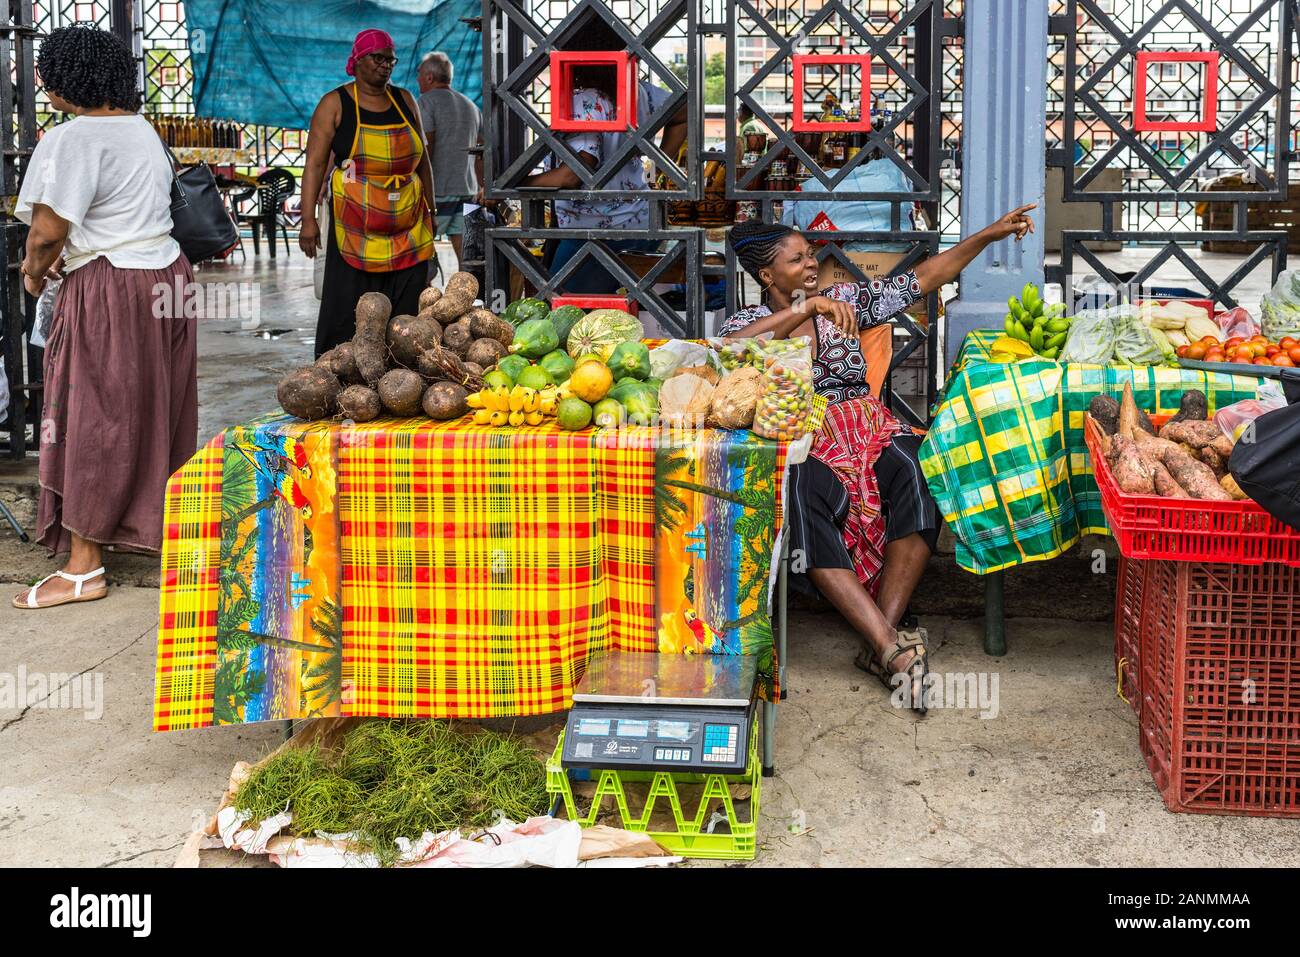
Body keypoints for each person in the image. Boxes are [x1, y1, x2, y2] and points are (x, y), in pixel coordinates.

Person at [722, 205, 1035, 713]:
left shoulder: (847, 299)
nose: (810, 264)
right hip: (803, 435)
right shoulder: (751, 321)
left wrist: (990, 233)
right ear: (766, 275)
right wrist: (807, 309)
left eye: (811, 255)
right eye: (798, 259)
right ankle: (892, 647)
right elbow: (729, 353)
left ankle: (881, 643)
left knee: (917, 465)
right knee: (796, 490)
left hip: (866, 425)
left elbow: (927, 276)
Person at [12, 25, 196, 609]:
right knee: (157, 406)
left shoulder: (71, 140)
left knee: (93, 414)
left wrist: (34, 275)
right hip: (170, 275)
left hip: (113, 284)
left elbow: (46, 233)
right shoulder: (143, 131)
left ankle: (85, 567)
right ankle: (157, 529)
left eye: (45, 74)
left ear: (66, 79)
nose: (42, 84)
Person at [522, 20, 687, 294]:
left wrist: (519, 184)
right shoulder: (639, 92)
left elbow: (574, 172)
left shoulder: (585, 99)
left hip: (592, 233)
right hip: (640, 224)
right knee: (616, 315)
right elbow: (684, 112)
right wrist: (658, 162)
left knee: (565, 313)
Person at [300, 29, 435, 357]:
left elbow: (423, 161)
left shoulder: (405, 100)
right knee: (348, 306)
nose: (386, 65)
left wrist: (432, 208)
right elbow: (315, 165)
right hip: (355, 225)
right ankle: (337, 372)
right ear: (358, 60)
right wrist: (308, 221)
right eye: (378, 58)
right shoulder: (335, 104)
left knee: (407, 306)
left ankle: (401, 373)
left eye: (391, 59)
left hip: (407, 221)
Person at [416, 51, 483, 272]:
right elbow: (482, 150)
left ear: (429, 77)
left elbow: (427, 147)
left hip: (438, 192)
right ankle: (470, 300)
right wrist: (481, 187)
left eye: (419, 74)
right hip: (468, 190)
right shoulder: (470, 106)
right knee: (467, 258)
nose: (417, 80)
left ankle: (423, 300)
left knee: (422, 255)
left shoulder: (425, 102)